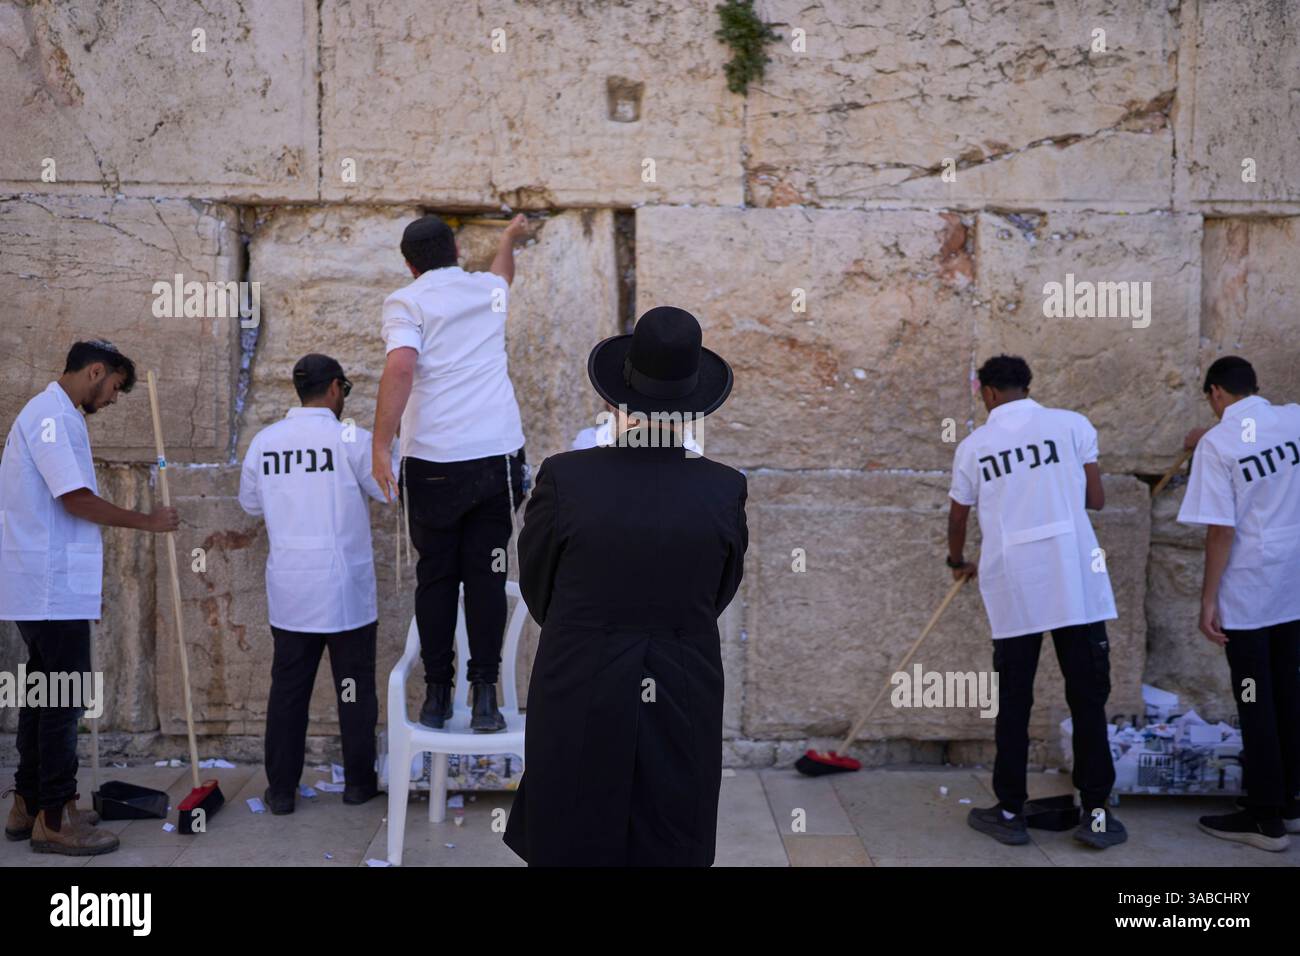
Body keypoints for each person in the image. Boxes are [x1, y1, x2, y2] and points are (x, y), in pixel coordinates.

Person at [502, 306, 748, 866]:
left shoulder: (566, 477)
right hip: (682, 683)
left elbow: (539, 586)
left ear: (619, 399)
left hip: (579, 673)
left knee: (571, 830)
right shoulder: (723, 489)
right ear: (693, 407)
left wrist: (588, 628)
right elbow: (716, 593)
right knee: (668, 832)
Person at [1, 340, 179, 855]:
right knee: (62, 702)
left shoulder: (53, 414)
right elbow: (74, 497)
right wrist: (147, 522)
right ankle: (55, 818)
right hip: (49, 587)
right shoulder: (52, 417)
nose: (116, 399)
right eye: (116, 387)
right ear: (96, 371)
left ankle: (29, 806)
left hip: (44, 585)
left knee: (43, 697)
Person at [946, 355, 1125, 849]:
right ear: (1027, 386)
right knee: (1088, 700)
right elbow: (1096, 497)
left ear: (985, 392)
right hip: (1075, 584)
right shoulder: (1072, 425)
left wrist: (956, 560)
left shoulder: (975, 445)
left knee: (1014, 702)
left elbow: (958, 516)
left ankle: (1009, 810)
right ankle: (1095, 813)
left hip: (1015, 587)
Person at [371, 213, 530, 732]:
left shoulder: (407, 301)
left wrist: (379, 442)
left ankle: (437, 695)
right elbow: (504, 273)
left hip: (436, 462)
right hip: (495, 457)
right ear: (456, 249)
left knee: (437, 577)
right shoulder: (486, 289)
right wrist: (508, 239)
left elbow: (400, 366)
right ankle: (485, 696)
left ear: (409, 263)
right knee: (486, 576)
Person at [238, 355, 390, 814]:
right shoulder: (350, 439)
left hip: (292, 593)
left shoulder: (266, 442)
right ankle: (359, 784)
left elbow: (249, 506)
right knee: (354, 689)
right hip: (345, 593)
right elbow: (388, 489)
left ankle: (281, 792)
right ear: (335, 389)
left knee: (289, 692)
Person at [1177, 356, 1300, 851]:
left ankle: (1265, 820)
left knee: (1253, 699)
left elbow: (1220, 531)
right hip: (1292, 587)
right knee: (1288, 692)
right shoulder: (1293, 418)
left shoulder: (1219, 444)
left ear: (1215, 394)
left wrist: (1207, 600)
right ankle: (1289, 802)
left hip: (1249, 591)